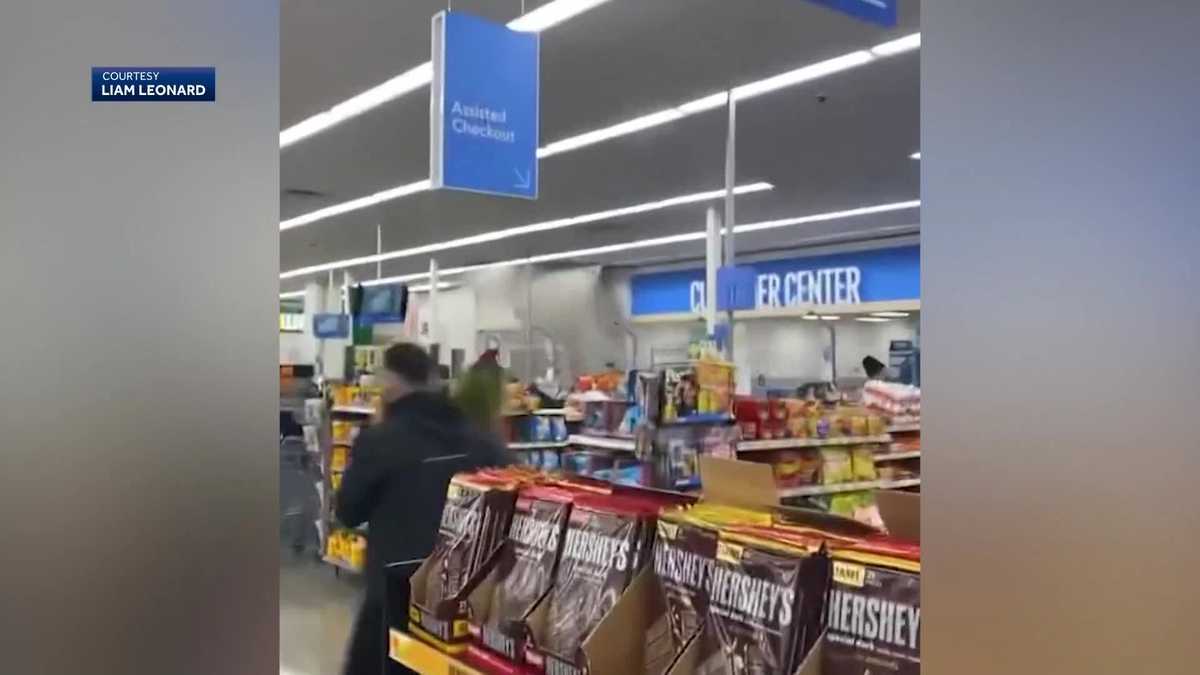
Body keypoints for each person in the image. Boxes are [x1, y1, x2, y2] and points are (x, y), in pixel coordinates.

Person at [337, 343, 505, 675]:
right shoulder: (481, 440)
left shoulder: (381, 440)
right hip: (465, 599)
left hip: (396, 597)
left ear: (392, 382)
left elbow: (348, 510)